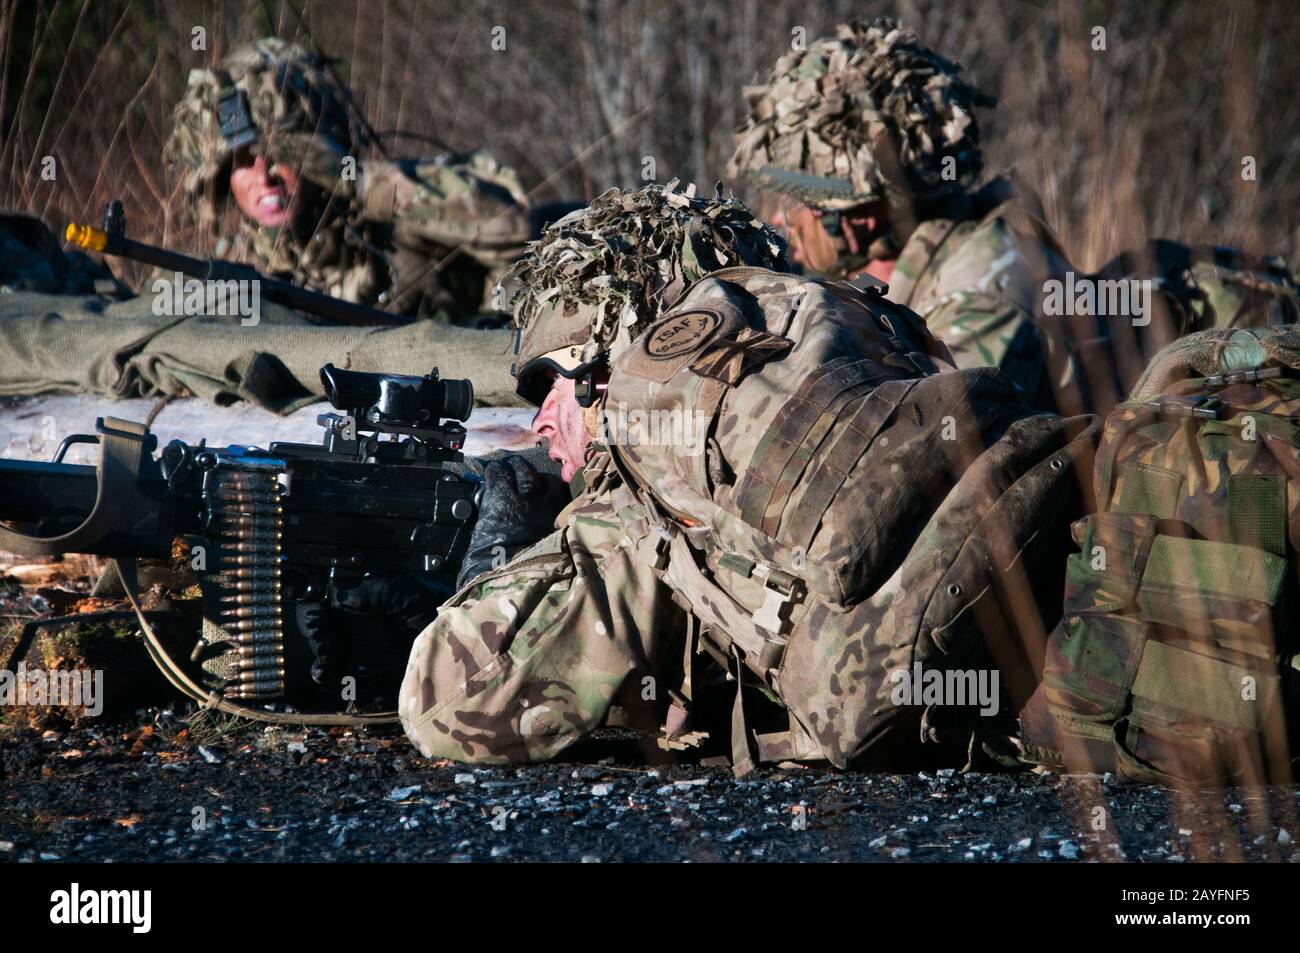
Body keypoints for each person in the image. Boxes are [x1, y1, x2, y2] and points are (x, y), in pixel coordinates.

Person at [395, 183, 1097, 773]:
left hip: (1081, 683)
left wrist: (504, 546)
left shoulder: (657, 471)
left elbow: (446, 703)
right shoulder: (844, 331)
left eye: (548, 381)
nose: (542, 419)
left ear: (603, 371)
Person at [726, 16, 1081, 414]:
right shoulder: (922, 271)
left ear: (854, 216)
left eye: (795, 203)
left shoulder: (983, 290)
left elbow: (929, 449)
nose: (782, 220)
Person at [165, 37, 533, 324]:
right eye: (242, 162)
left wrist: (355, 181)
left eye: (281, 156)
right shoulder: (237, 263)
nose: (264, 176)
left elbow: (514, 227)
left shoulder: (392, 208)